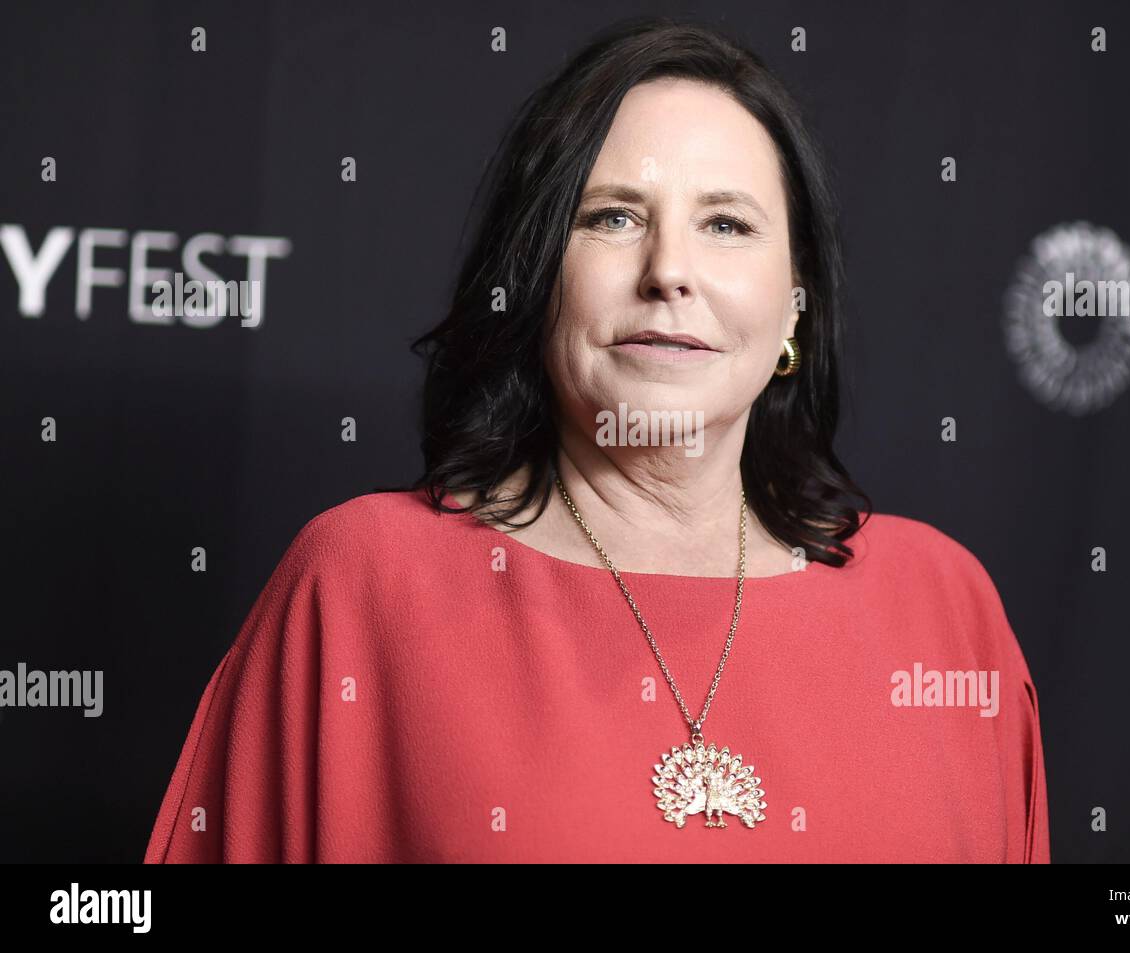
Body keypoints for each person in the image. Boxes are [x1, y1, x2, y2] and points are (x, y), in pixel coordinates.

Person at [144, 16, 1049, 863]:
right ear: (539, 277)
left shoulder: (946, 612)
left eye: (727, 225)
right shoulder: (360, 587)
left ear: (795, 308)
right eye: (613, 216)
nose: (669, 273)